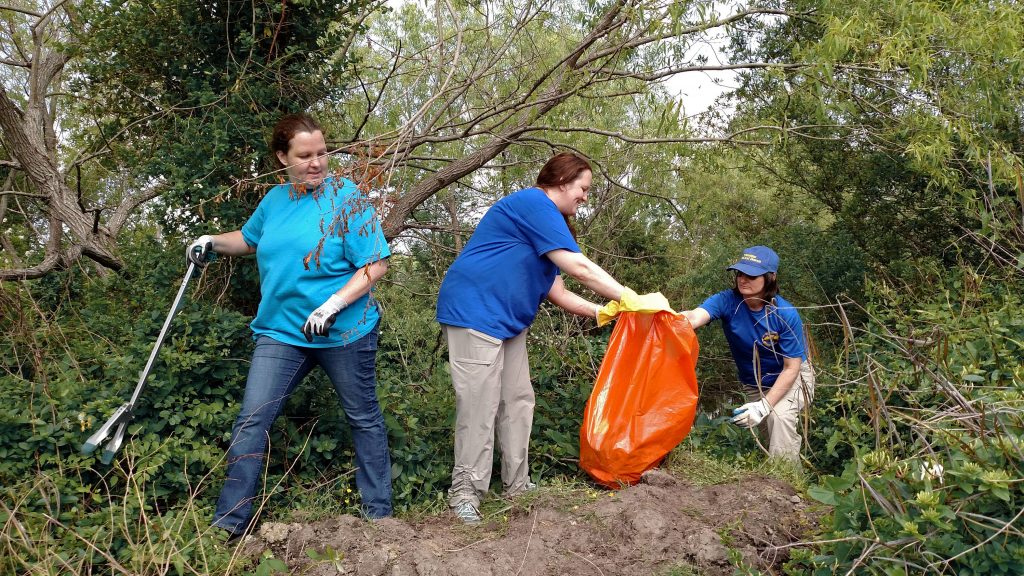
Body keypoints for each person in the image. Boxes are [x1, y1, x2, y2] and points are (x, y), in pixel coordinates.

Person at [187, 113, 393, 539]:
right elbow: (248, 239)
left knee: (363, 417)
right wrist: (210, 242)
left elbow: (376, 264)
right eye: (304, 156)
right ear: (282, 157)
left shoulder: (347, 196)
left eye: (322, 153)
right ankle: (229, 525)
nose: (316, 163)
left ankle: (380, 517)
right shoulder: (276, 200)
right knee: (252, 420)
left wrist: (332, 305)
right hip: (281, 332)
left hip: (345, 332)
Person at [436, 152, 637, 523]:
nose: (585, 197)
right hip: (474, 311)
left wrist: (602, 311)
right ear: (562, 182)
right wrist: (630, 298)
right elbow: (578, 267)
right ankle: (465, 492)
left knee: (517, 399)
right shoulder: (533, 202)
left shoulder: (547, 224)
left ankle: (517, 485)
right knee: (480, 404)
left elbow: (557, 290)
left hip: (509, 321)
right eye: (583, 188)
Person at [681, 245, 815, 462]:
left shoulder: (784, 313)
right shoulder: (727, 301)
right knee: (768, 436)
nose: (743, 279)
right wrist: (662, 315)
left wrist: (764, 405)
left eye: (752, 275)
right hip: (755, 381)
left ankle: (786, 489)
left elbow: (792, 367)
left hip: (792, 375)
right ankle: (776, 485)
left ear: (770, 277)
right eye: (740, 273)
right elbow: (694, 317)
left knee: (779, 419)